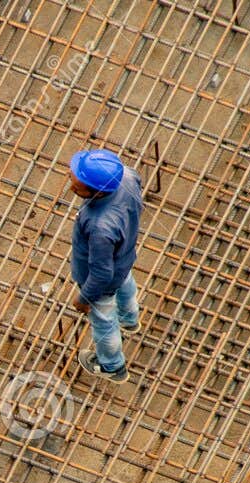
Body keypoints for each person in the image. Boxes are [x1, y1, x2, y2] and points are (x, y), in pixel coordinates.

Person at [68, 147, 143, 382]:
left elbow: (101, 274)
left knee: (103, 322)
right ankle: (130, 320)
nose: (70, 183)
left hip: (104, 278)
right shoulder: (128, 177)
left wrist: (85, 299)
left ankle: (112, 366)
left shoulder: (101, 226)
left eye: (76, 183)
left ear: (97, 193)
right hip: (124, 257)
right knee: (126, 286)